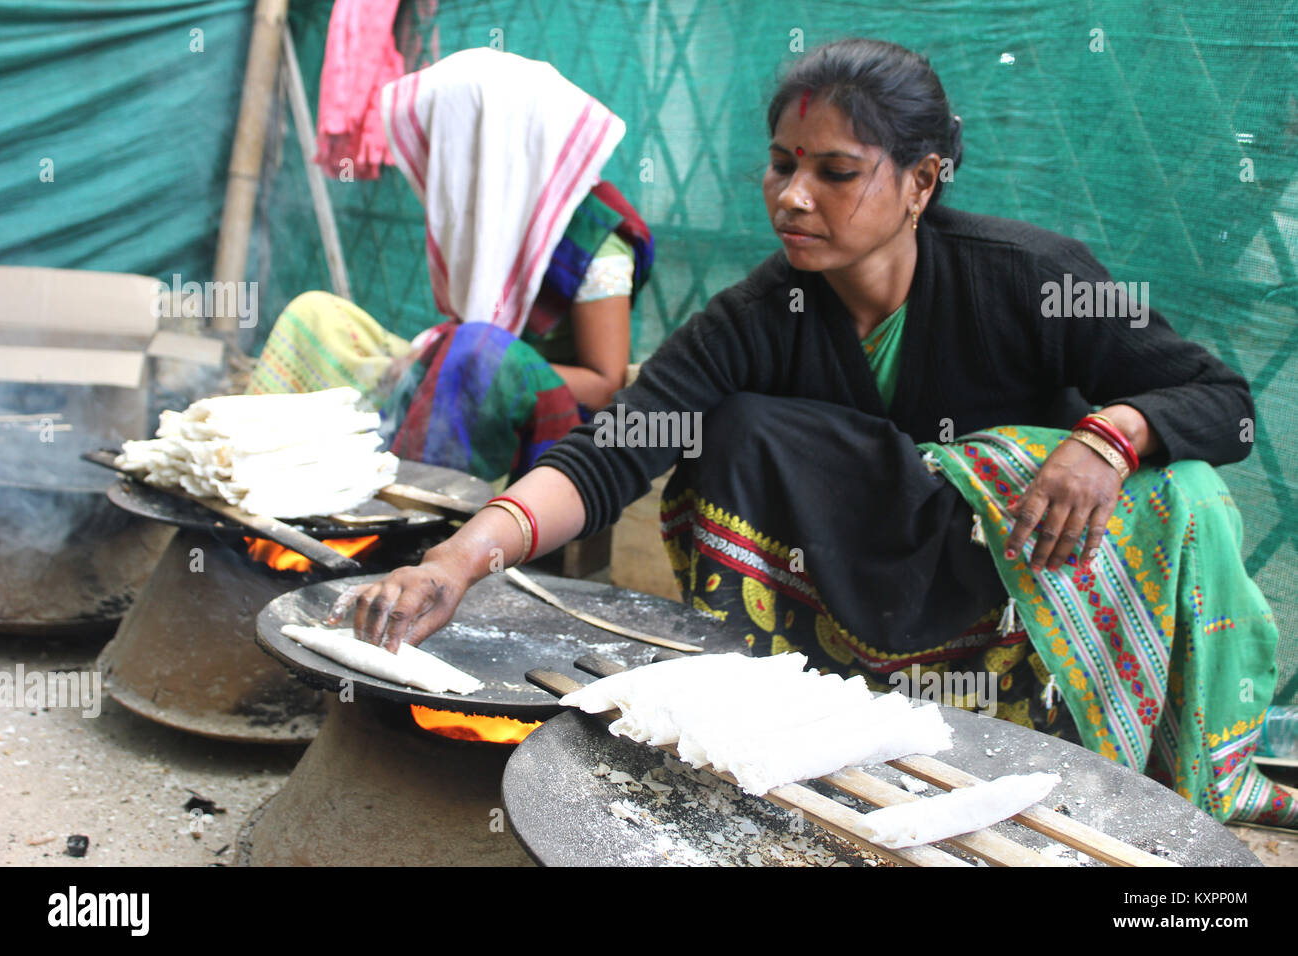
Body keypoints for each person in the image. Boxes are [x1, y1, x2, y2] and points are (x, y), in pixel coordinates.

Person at [328, 38, 1294, 829]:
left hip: (1013, 605)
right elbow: (613, 450)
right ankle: (806, 725)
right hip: (838, 623)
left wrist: (1110, 435)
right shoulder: (759, 316)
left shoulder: (1033, 277)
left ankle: (1090, 747)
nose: (792, 197)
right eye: (783, 165)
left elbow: (1224, 403)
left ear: (921, 182)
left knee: (1180, 485)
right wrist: (460, 558)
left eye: (836, 173)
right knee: (737, 429)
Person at [248, 48, 654, 485]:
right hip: (461, 374)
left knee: (477, 351)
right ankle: (260, 461)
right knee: (317, 314)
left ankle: (405, 495)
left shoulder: (597, 240)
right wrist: (449, 353)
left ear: (499, 145)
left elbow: (605, 386)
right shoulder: (494, 211)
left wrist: (469, 354)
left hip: (541, 408)